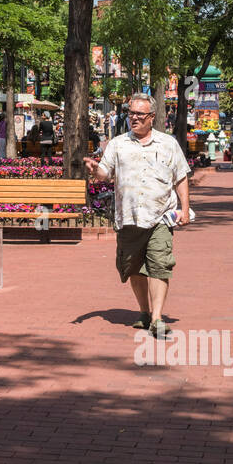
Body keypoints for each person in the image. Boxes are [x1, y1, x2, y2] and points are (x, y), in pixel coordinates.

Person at [84, 92, 191, 340]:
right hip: (129, 216)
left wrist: (184, 209)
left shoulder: (168, 143)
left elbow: (181, 176)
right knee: (133, 268)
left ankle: (156, 318)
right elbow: (105, 173)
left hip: (160, 215)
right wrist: (95, 170)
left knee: (159, 265)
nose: (134, 118)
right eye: (131, 113)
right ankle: (144, 311)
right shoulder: (118, 143)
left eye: (139, 114)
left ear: (151, 117)